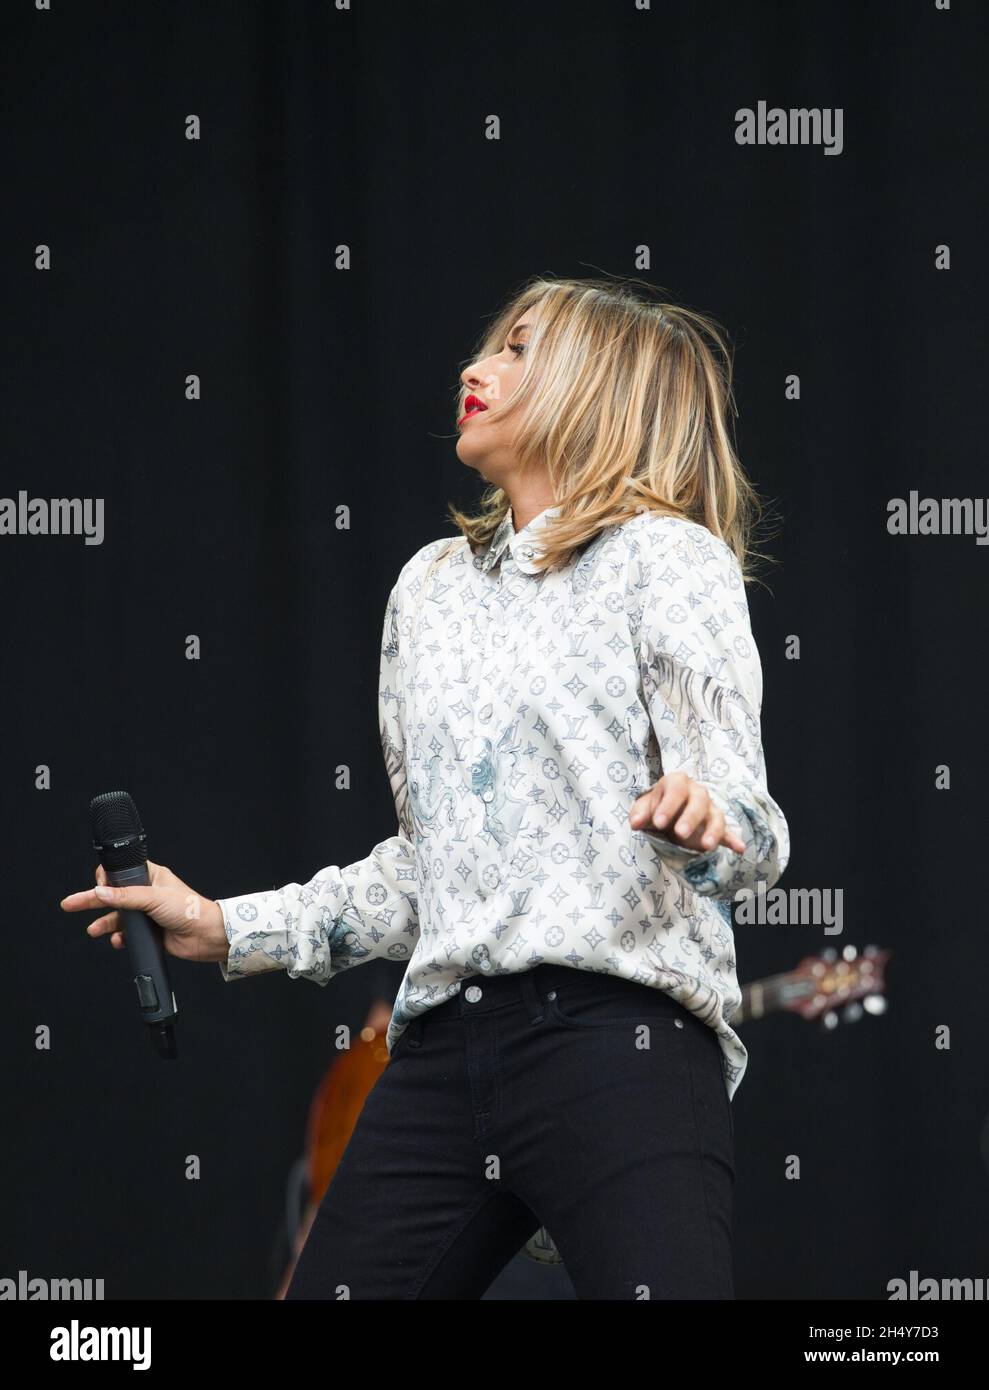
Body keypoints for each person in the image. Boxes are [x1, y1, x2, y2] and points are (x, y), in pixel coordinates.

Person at [61, 274, 790, 1300]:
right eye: (488, 345)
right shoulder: (430, 589)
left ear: (603, 389)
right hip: (446, 1050)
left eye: (520, 350)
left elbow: (743, 817)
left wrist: (705, 817)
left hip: (616, 1041)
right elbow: (427, 866)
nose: (475, 367)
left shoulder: (665, 559)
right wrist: (226, 924)